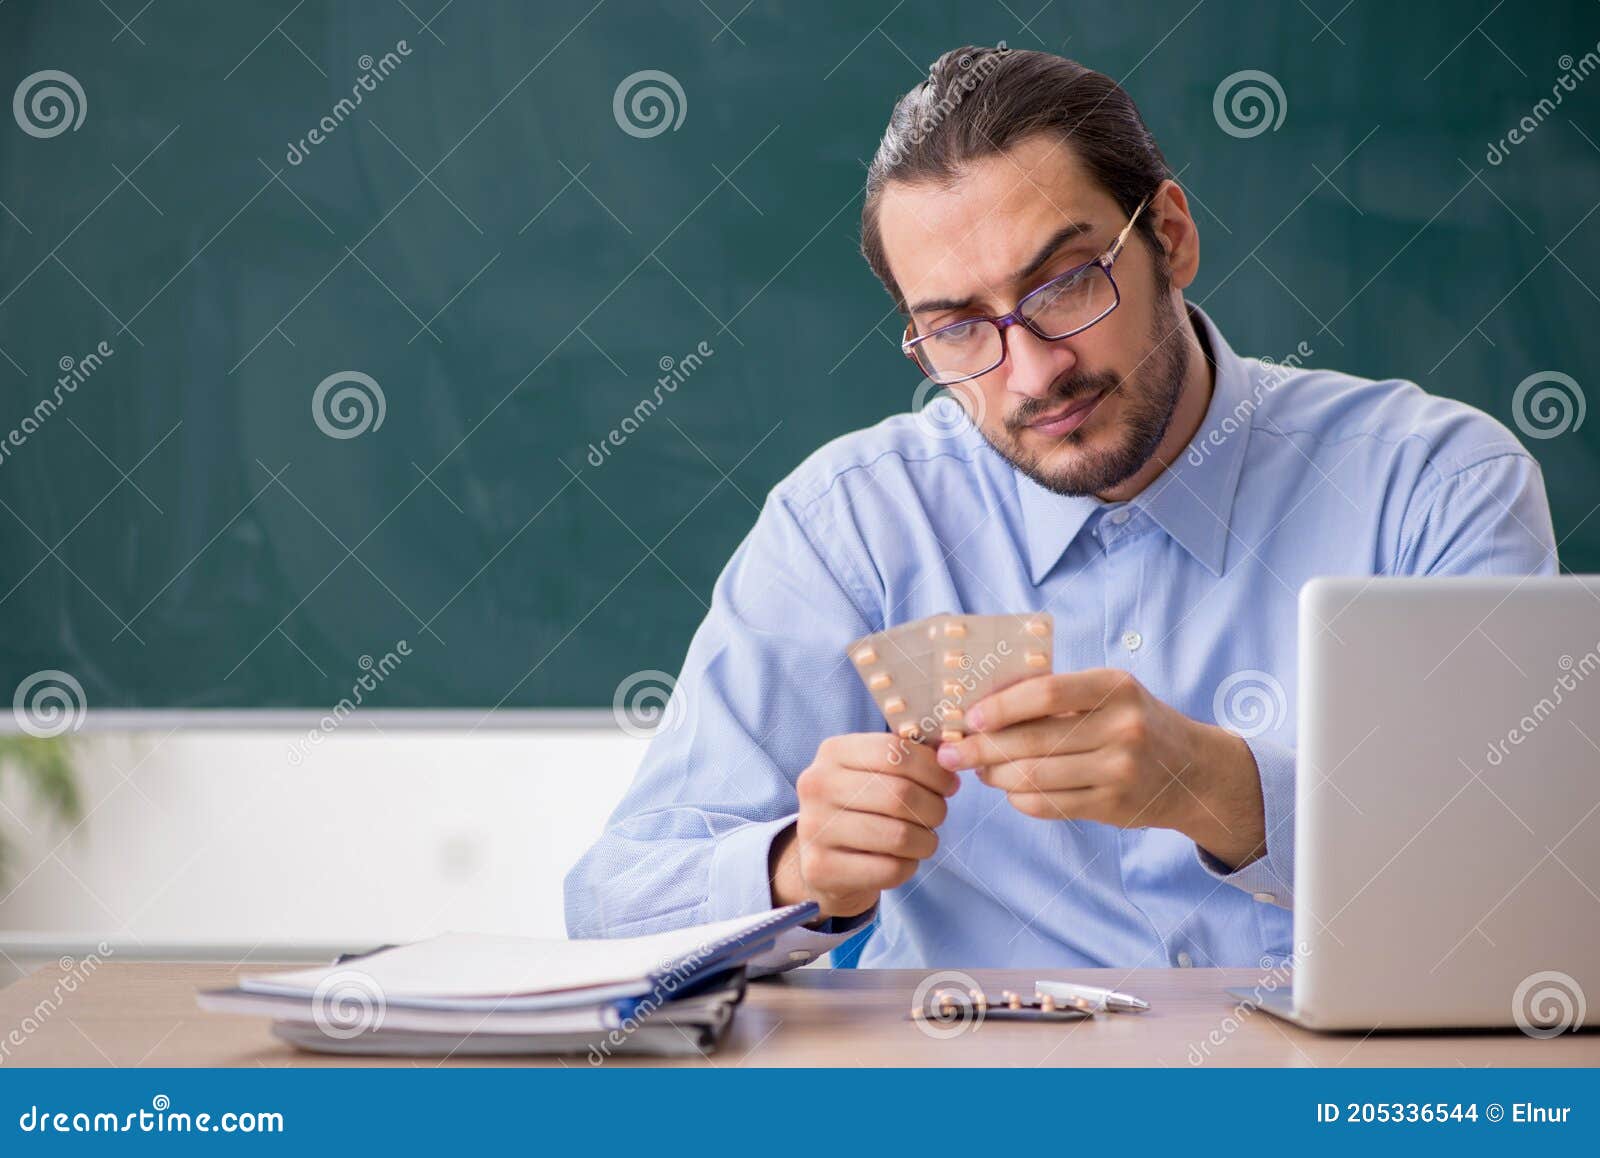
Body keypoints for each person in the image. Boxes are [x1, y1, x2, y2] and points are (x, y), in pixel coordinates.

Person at [566, 47, 1555, 969]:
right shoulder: (850, 527)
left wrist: (1216, 788)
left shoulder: (1432, 485)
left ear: (1168, 236)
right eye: (956, 328)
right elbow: (613, 907)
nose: (1034, 372)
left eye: (1066, 283)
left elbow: (1528, 887)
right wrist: (797, 869)